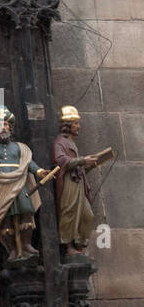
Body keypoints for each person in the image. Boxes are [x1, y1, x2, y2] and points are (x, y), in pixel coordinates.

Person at [0, 106, 49, 261]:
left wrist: (38, 171)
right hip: (1, 185)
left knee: (26, 212)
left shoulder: (19, 148)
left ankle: (26, 244)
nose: (3, 128)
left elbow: (28, 163)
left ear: (10, 127)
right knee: (4, 218)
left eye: (5, 124)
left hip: (19, 184)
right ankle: (12, 249)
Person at [52, 105, 101, 256]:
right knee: (69, 212)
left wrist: (90, 164)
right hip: (68, 182)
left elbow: (78, 166)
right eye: (75, 123)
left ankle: (79, 245)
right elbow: (60, 160)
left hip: (78, 181)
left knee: (88, 215)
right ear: (67, 125)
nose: (78, 126)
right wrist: (81, 160)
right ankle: (68, 246)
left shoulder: (71, 143)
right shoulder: (60, 142)